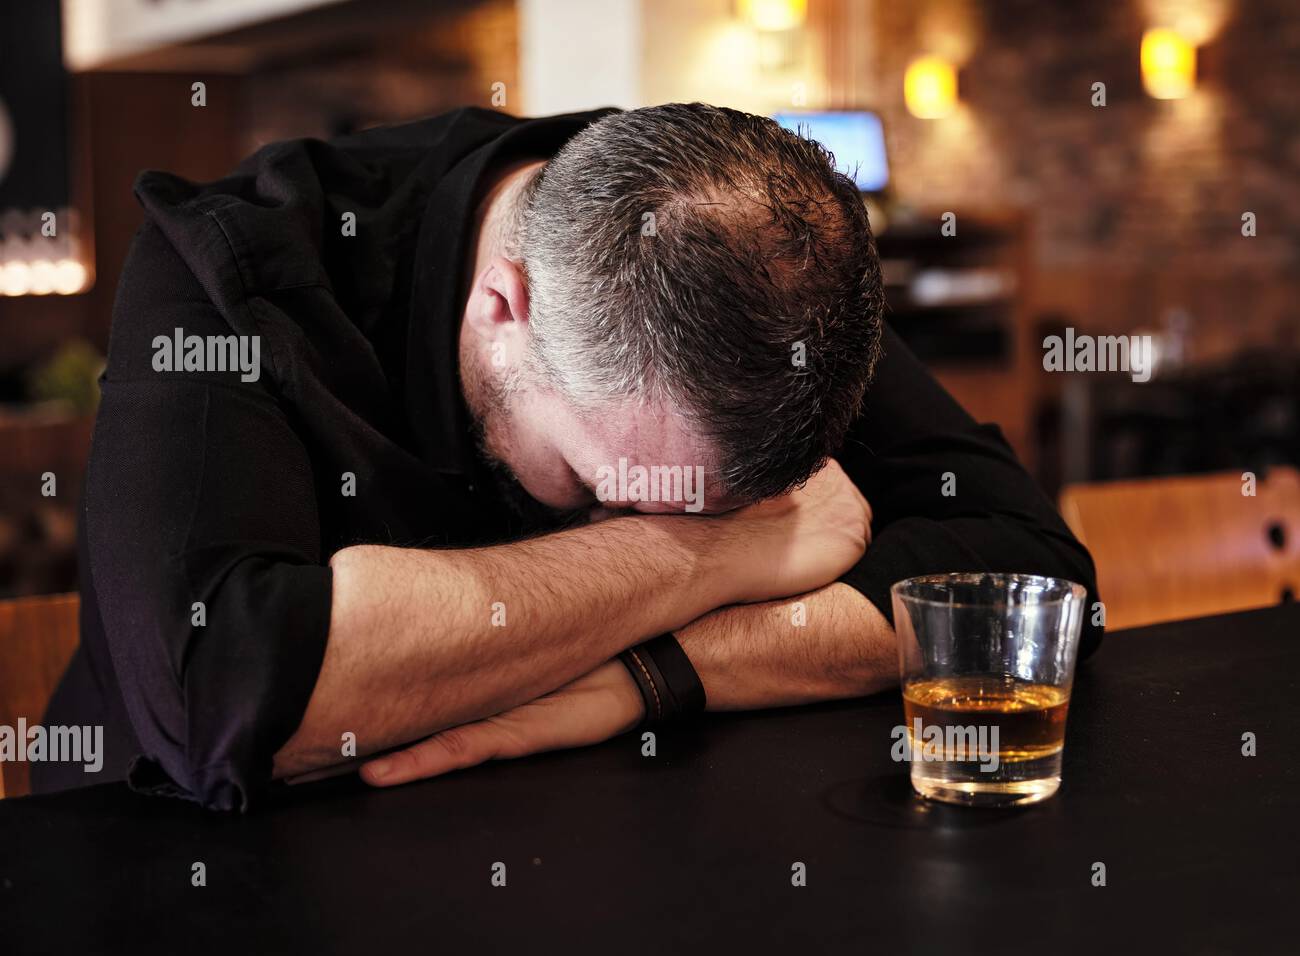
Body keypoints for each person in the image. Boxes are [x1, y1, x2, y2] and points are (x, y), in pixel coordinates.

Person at [38, 103, 1100, 812]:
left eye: (730, 510)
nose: (666, 518)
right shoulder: (230, 261)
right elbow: (219, 695)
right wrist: (711, 562)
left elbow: (1030, 587)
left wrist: (653, 675)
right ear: (505, 302)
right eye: (604, 490)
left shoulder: (737, 246)